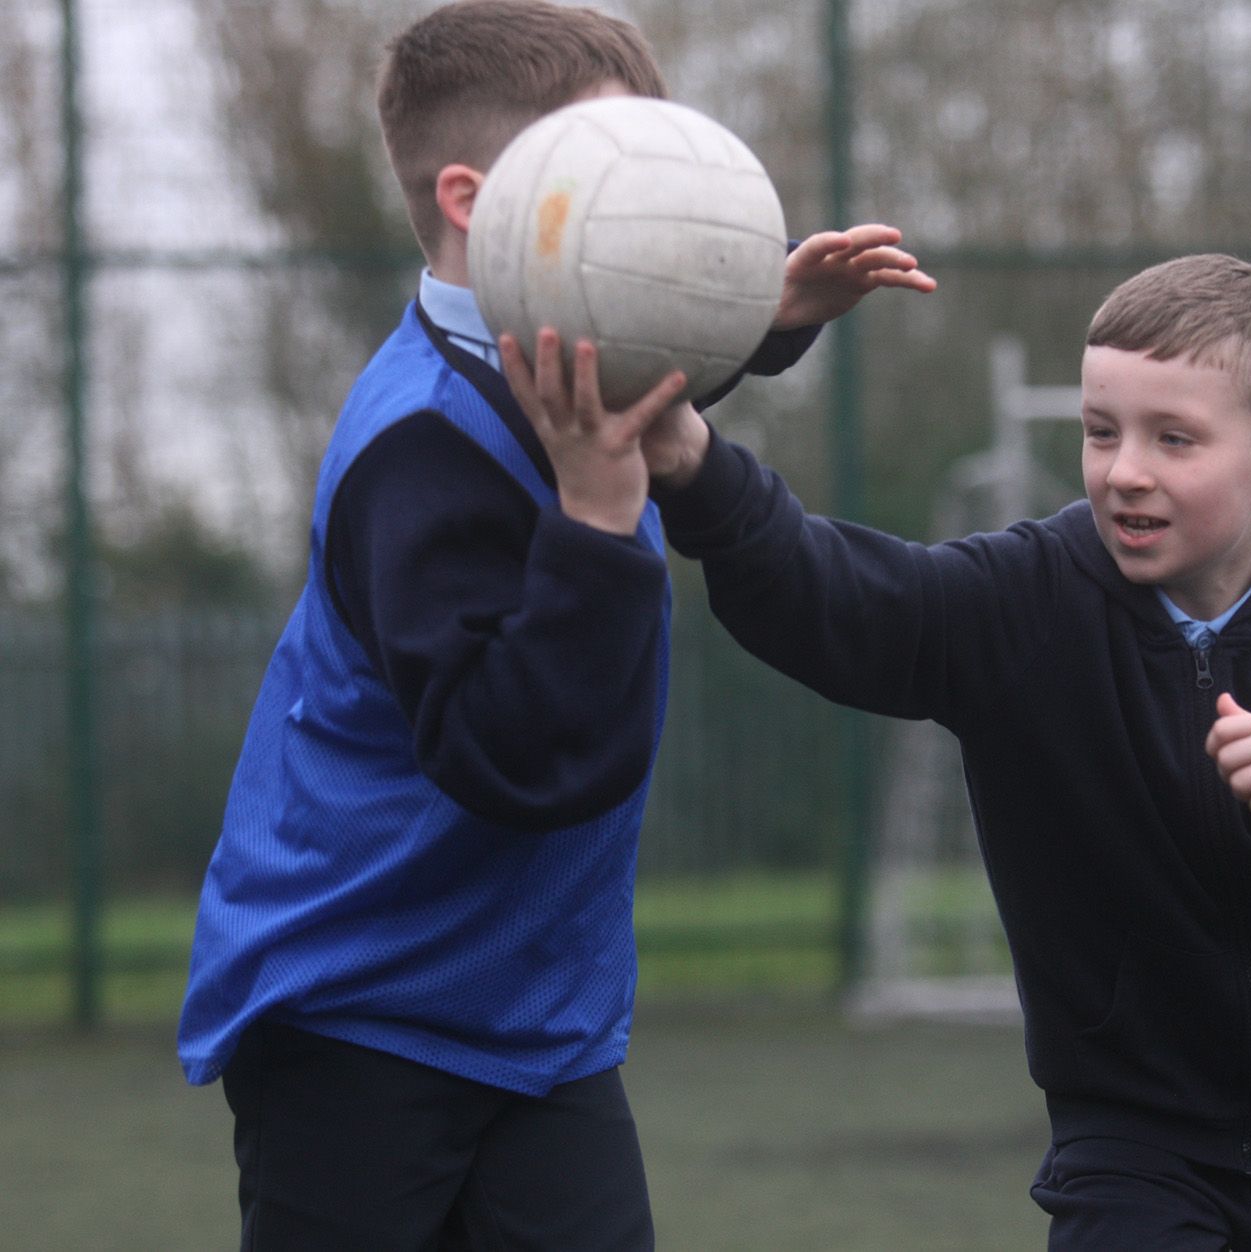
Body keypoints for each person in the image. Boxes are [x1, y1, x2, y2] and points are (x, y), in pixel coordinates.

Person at [508, 253, 1251, 1250]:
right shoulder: (1027, 599)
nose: (1125, 473)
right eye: (1102, 432)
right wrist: (695, 469)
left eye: (1174, 440)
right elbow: (832, 593)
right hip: (1132, 1147)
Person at [176, 2, 933, 1247]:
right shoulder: (416, 447)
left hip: (538, 1020)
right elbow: (521, 760)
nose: (656, 200)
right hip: (357, 1009)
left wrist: (764, 314)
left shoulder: (560, 345)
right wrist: (593, 518)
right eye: (610, 169)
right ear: (478, 201)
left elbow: (631, 355)